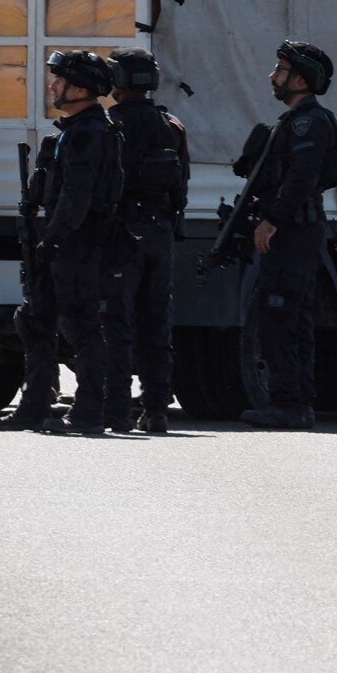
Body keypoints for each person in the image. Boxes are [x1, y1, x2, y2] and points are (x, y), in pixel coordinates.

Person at [0, 50, 131, 433]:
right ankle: (33, 407)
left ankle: (89, 412)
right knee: (35, 322)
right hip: (63, 240)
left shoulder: (90, 133)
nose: (52, 86)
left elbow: (79, 195)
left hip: (79, 243)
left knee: (81, 326)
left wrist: (54, 239)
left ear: (81, 88)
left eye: (60, 80)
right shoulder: (73, 131)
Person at [239, 40, 337, 431]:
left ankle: (288, 404)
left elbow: (302, 178)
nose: (273, 76)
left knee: (282, 315)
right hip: (296, 229)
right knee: (289, 316)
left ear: (300, 79)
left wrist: (273, 220)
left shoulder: (308, 122)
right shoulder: (296, 120)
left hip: (295, 231)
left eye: (280, 70)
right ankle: (296, 403)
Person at [107, 47, 191, 434]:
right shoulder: (172, 125)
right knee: (156, 323)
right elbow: (181, 187)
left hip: (122, 233)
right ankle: (156, 409)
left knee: (118, 322)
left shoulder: (109, 124)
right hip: (160, 233)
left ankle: (117, 409)